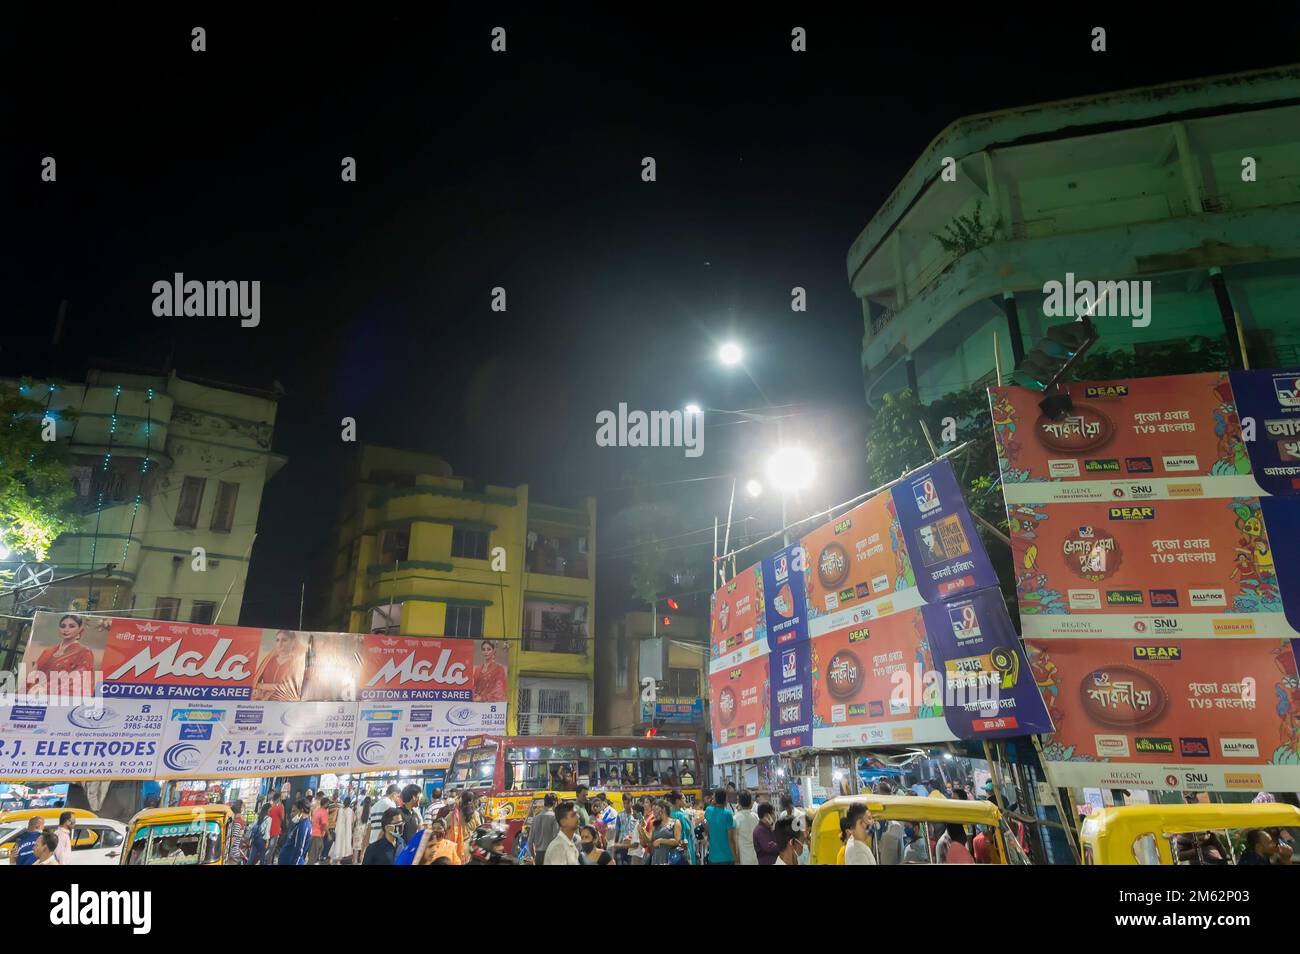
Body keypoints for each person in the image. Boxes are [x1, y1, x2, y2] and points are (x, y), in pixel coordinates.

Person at [33, 614, 98, 695]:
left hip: (61, 701)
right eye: (63, 626)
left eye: (71, 626)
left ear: (80, 630)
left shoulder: (84, 652)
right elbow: (33, 676)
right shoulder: (47, 651)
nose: (66, 630)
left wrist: (46, 690)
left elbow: (79, 681)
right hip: (36, 698)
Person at [251, 630, 306, 700]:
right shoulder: (269, 660)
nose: (280, 644)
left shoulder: (297, 662)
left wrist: (262, 686)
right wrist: (272, 686)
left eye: (284, 640)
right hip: (262, 702)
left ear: (293, 642)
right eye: (277, 640)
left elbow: (293, 687)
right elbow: (254, 682)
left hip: (285, 703)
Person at [705, 787, 737, 865]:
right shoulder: (727, 814)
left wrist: (713, 802)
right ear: (725, 799)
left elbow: (707, 828)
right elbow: (730, 839)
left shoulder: (708, 811)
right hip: (727, 857)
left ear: (714, 799)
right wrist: (736, 857)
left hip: (713, 857)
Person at [527, 793, 560, 863]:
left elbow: (530, 842)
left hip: (538, 855)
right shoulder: (554, 817)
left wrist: (534, 856)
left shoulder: (535, 818)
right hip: (551, 854)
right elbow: (556, 839)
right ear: (554, 803)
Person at [649, 801, 684, 866]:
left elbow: (677, 841)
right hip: (656, 859)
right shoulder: (655, 824)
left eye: (656, 809)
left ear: (663, 809)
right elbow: (649, 840)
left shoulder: (675, 822)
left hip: (670, 859)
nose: (655, 813)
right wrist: (641, 830)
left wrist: (661, 840)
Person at [668, 790, 696, 864]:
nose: (685, 800)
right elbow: (686, 831)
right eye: (683, 798)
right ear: (678, 801)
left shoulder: (670, 813)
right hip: (685, 847)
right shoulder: (680, 815)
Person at [734, 791, 760, 865]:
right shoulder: (756, 817)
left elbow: (733, 840)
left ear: (739, 802)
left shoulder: (735, 819)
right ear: (750, 803)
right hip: (755, 857)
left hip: (742, 858)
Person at [330, 797, 354, 864]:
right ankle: (339, 861)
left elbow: (334, 819)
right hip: (346, 831)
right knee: (343, 845)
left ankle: (333, 860)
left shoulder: (339, 809)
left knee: (337, 843)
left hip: (339, 829)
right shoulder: (350, 811)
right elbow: (352, 821)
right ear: (349, 803)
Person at [308, 796, 329, 864]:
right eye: (328, 803)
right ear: (325, 804)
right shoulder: (323, 812)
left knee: (313, 855)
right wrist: (329, 834)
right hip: (317, 836)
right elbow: (324, 825)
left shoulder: (317, 810)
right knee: (313, 858)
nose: (328, 805)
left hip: (313, 834)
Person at [227, 800, 248, 865]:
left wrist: (227, 850)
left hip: (232, 854)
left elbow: (233, 838)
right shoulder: (237, 821)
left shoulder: (238, 822)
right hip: (234, 853)